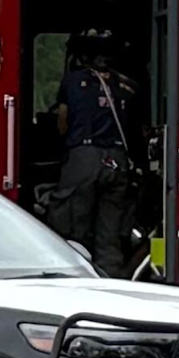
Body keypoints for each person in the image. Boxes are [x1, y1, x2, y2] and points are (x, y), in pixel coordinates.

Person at [56, 32, 141, 273]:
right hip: (117, 160)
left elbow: (62, 122)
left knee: (74, 223)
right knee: (110, 228)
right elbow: (136, 128)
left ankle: (76, 272)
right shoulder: (129, 86)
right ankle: (110, 274)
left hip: (83, 158)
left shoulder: (73, 82)